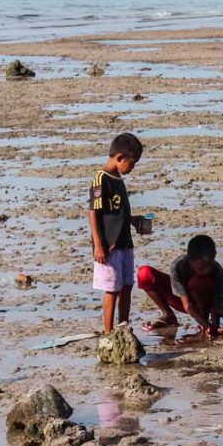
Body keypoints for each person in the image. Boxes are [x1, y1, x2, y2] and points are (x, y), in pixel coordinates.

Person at [88, 133, 146, 333]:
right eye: (132, 163)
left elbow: (118, 209)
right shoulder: (100, 179)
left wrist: (134, 220)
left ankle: (124, 327)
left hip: (125, 242)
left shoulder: (118, 179)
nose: (133, 168)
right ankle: (108, 332)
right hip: (109, 245)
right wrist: (98, 245)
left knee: (127, 286)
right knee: (112, 289)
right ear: (120, 157)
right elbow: (94, 212)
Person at [137, 234, 223, 339]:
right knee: (144, 273)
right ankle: (168, 314)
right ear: (190, 261)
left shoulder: (218, 272)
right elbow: (187, 305)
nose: (207, 270)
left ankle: (202, 318)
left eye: (209, 265)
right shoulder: (178, 266)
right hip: (185, 301)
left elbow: (216, 305)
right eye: (201, 268)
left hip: (205, 302)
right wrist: (206, 325)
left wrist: (213, 326)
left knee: (198, 281)